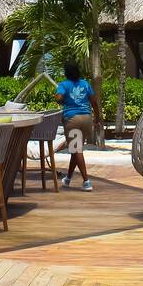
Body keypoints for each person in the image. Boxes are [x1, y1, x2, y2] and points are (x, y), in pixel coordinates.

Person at [55, 61, 94, 191]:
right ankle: (68, 178)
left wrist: (60, 98)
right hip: (87, 118)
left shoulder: (64, 84)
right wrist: (99, 117)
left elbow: (59, 97)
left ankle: (86, 181)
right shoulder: (85, 84)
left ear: (66, 73)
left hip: (72, 119)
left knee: (76, 150)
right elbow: (93, 101)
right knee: (75, 149)